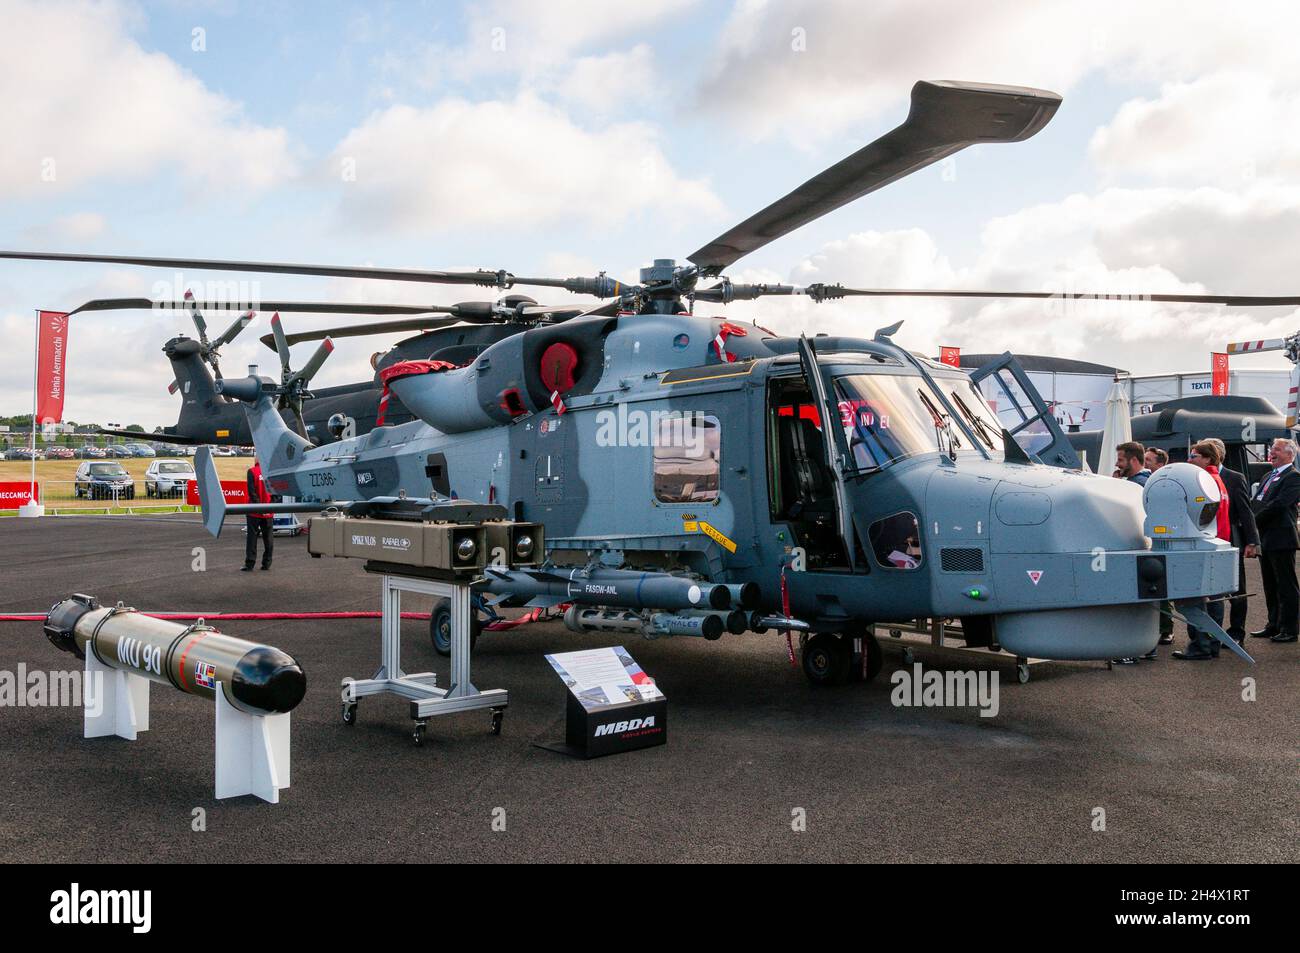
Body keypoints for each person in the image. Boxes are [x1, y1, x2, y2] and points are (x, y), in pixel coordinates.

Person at [1174, 441, 1232, 659]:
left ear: (1208, 458)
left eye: (1194, 455)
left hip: (1205, 544)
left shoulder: (1203, 480)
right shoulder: (1218, 479)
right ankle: (1212, 643)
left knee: (1196, 598)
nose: (1189, 460)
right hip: (1219, 542)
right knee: (1214, 597)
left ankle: (1201, 645)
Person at [1204, 437, 1258, 644]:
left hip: (1231, 538)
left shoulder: (1234, 478)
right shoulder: (1199, 477)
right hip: (1207, 540)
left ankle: (1236, 632)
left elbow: (1246, 512)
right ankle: (1210, 633)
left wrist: (1253, 541)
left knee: (1237, 588)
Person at [1249, 438, 1300, 643]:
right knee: (1270, 584)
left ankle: (1290, 628)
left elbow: (1279, 505)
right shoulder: (1268, 475)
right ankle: (1273, 624)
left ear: (1289, 454)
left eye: (1277, 450)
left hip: (1282, 538)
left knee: (1286, 585)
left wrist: (1252, 520)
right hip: (1266, 537)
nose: (1272, 452)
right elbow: (1258, 501)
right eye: (1272, 449)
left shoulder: (1294, 477)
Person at [243, 458, 274, 572]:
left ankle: (250, 564)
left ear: (256, 460)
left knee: (252, 538)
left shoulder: (252, 471)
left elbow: (252, 492)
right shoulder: (271, 472)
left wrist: (259, 507)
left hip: (254, 511)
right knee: (269, 538)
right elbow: (276, 492)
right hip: (269, 512)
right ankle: (267, 563)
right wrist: (270, 506)